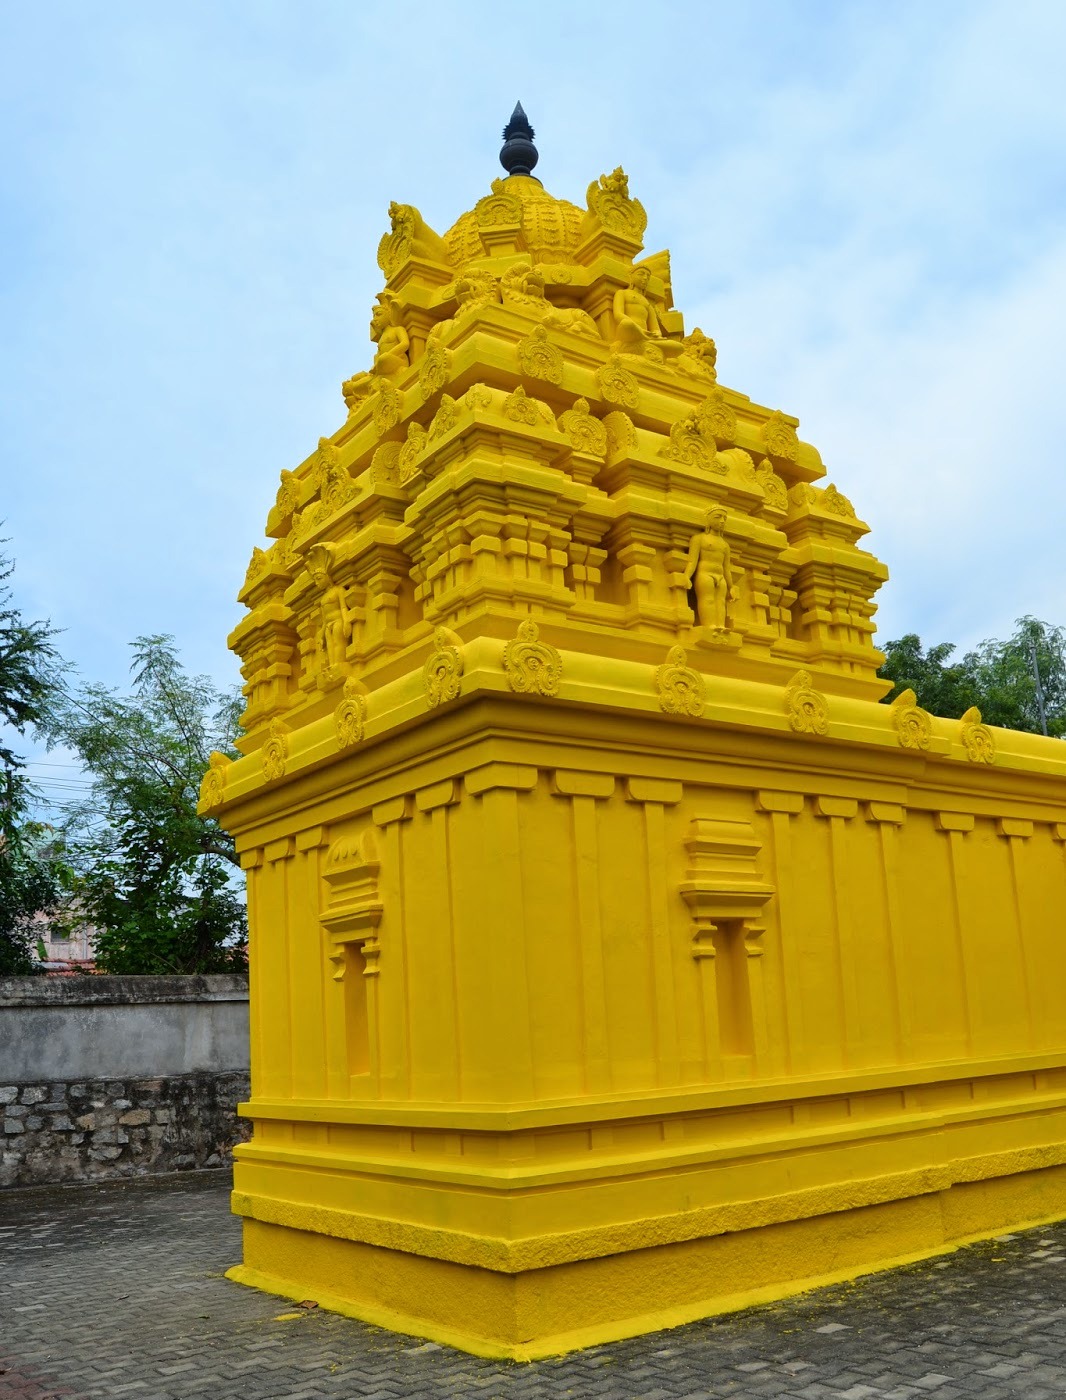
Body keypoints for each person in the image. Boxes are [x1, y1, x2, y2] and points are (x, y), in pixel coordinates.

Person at [683, 507, 736, 630]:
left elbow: (727, 568)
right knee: (708, 599)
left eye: (724, 518)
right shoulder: (699, 539)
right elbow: (692, 561)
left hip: (721, 576)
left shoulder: (725, 545)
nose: (722, 521)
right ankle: (709, 625)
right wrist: (686, 576)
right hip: (705, 574)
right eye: (718, 517)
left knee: (721, 602)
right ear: (707, 519)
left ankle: (721, 625)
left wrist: (731, 586)